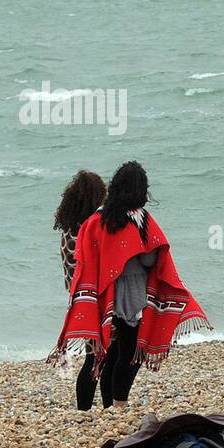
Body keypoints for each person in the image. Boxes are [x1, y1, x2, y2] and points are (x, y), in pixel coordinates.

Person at [52, 161, 209, 410]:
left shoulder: (86, 225)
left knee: (101, 358)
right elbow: (148, 258)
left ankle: (93, 411)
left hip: (95, 298)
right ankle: (114, 406)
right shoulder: (131, 219)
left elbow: (85, 267)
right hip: (126, 296)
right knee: (121, 355)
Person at [52, 169, 107, 409]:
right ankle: (107, 407)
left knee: (92, 356)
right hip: (97, 300)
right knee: (104, 357)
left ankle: (84, 409)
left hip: (80, 301)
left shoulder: (68, 231)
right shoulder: (90, 230)